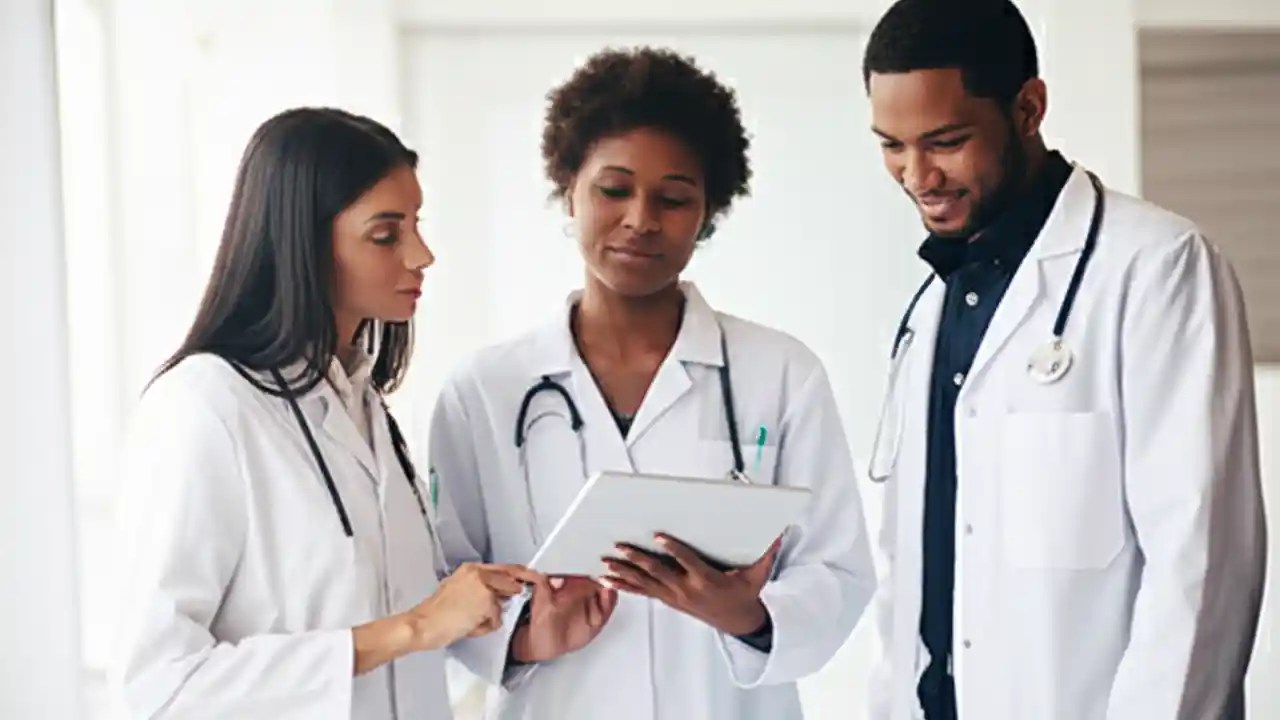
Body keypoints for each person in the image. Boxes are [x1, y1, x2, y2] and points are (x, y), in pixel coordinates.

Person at [423, 47, 876, 719]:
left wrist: (750, 616)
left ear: (708, 212)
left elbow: (838, 570)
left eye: (674, 198)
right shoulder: (484, 390)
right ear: (568, 190)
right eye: (614, 190)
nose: (641, 219)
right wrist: (523, 637)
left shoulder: (781, 374)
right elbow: (443, 585)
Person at [860, 2, 1267, 718]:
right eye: (892, 145)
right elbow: (911, 570)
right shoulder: (934, 304)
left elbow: (1201, 566)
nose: (916, 175)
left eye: (946, 142)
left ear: (1028, 109)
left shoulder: (1156, 268)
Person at [111, 107, 540, 719]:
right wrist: (414, 626)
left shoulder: (366, 406)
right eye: (386, 235)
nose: (421, 255)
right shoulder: (205, 406)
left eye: (416, 225)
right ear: (303, 245)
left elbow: (403, 629)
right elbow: (156, 686)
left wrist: (516, 632)